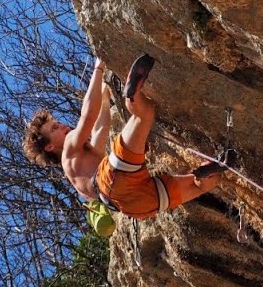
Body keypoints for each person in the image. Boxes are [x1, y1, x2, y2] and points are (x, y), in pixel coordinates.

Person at [22, 54, 225, 230]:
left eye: (58, 123)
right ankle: (133, 97)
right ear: (49, 147)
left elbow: (101, 126)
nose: (63, 126)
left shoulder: (80, 165)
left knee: (198, 187)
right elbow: (87, 117)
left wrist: (104, 94)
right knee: (142, 116)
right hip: (112, 179)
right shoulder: (69, 150)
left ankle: (208, 171)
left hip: (133, 205)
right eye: (54, 129)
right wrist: (99, 67)